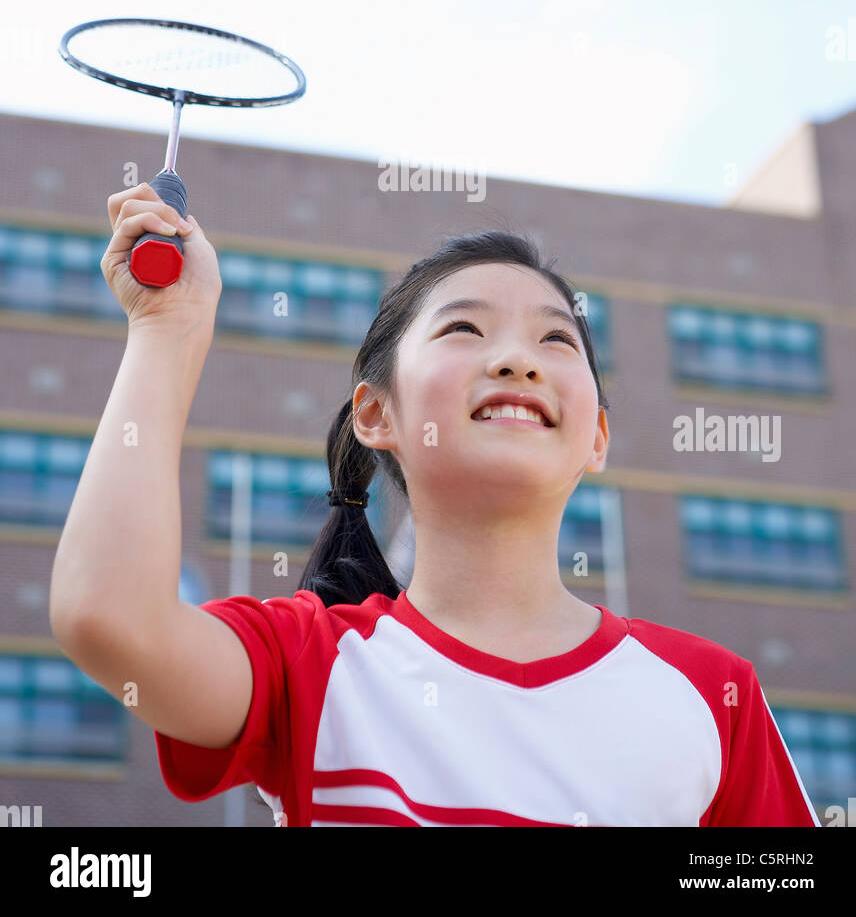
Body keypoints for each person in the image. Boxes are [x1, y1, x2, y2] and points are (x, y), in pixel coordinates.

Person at [149, 228, 821, 828]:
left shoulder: (712, 694)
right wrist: (165, 329)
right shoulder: (308, 661)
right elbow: (111, 620)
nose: (516, 361)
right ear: (376, 413)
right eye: (464, 329)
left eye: (556, 338)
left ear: (598, 436)